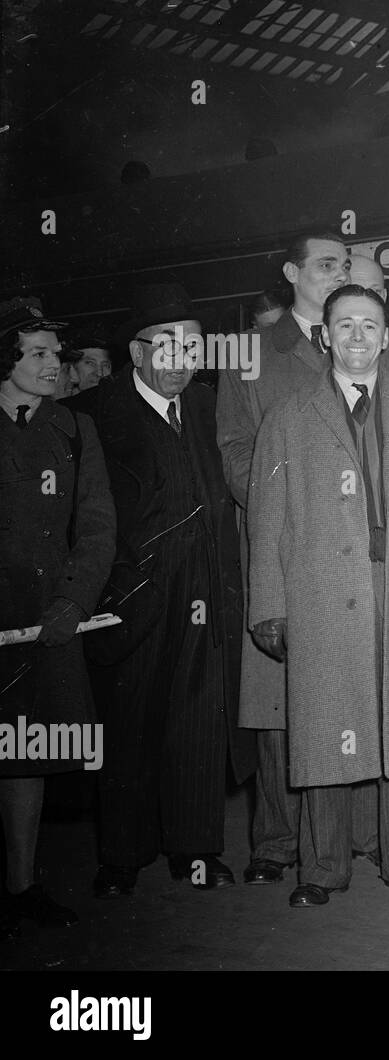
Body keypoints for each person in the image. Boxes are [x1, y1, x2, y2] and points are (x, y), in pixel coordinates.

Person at [247, 283, 389, 906]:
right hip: (321, 593)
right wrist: (270, 604)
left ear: (385, 336)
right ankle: (321, 868)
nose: (356, 337)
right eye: (344, 325)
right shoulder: (288, 419)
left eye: (369, 326)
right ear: (325, 335)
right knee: (327, 726)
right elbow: (266, 521)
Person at [218, 230, 389, 886]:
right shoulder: (253, 354)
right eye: (325, 265)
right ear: (291, 271)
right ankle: (276, 842)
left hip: (359, 557)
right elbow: (235, 447)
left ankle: (362, 837)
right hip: (288, 555)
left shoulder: (366, 342)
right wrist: (281, 510)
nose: (336, 274)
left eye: (344, 267)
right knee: (280, 704)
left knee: (357, 693)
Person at [73, 282, 256, 899]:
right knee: (128, 725)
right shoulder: (97, 413)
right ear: (137, 350)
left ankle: (196, 851)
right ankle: (123, 856)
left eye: (194, 346)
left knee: (199, 721)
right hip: (133, 596)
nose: (181, 358)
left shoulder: (209, 406)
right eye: (168, 345)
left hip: (206, 588)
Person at [0, 298, 115, 940]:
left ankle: (21, 887)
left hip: (46, 624)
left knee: (25, 758)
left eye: (55, 353)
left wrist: (73, 603)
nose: (54, 364)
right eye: (37, 353)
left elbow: (97, 526)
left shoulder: (73, 429)